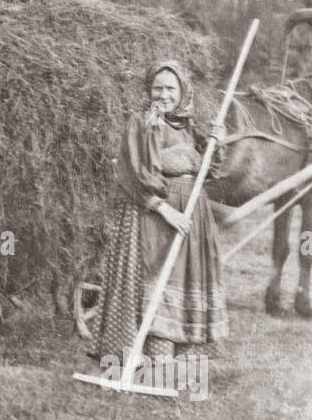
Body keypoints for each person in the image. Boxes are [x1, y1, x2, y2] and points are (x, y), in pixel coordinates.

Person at [94, 61, 228, 366]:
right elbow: (133, 174)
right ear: (148, 90)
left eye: (170, 88)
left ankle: (178, 361)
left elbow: (210, 172)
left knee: (181, 281)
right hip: (153, 215)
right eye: (158, 88)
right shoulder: (142, 123)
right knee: (154, 281)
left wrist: (215, 144)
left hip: (191, 215)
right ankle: (146, 360)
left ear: (182, 91)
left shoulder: (191, 127)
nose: (164, 95)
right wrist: (164, 209)